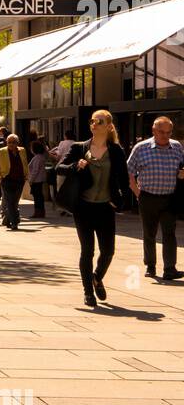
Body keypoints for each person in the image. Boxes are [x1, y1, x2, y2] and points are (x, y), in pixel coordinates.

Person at [57, 110, 130, 307]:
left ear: (109, 126)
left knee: (108, 251)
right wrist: (75, 166)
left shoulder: (116, 151)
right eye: (92, 121)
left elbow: (124, 180)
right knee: (87, 250)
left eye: (99, 121)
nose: (94, 124)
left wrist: (120, 202)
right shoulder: (79, 147)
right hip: (83, 207)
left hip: (105, 208)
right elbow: (59, 168)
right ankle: (88, 292)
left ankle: (97, 277)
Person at [126, 116, 184, 280]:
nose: (165, 135)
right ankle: (150, 266)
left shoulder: (177, 147)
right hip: (148, 197)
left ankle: (169, 269)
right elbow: (129, 171)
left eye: (168, 132)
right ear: (153, 130)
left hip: (170, 198)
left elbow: (182, 166)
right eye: (161, 132)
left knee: (169, 233)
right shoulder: (141, 148)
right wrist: (137, 192)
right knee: (149, 233)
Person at [0, 134, 29, 230]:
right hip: (7, 180)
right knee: (10, 201)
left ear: (17, 143)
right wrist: (0, 178)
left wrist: (26, 175)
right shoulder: (1, 152)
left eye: (13, 142)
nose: (11, 144)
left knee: (15, 202)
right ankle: (15, 222)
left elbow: (25, 163)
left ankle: (7, 220)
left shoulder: (22, 150)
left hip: (20, 180)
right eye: (9, 142)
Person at [29, 140, 49, 218]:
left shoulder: (37, 158)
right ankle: (40, 212)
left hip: (36, 180)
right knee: (39, 196)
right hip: (39, 179)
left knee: (37, 197)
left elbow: (35, 170)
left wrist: (31, 180)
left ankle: (38, 212)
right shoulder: (41, 157)